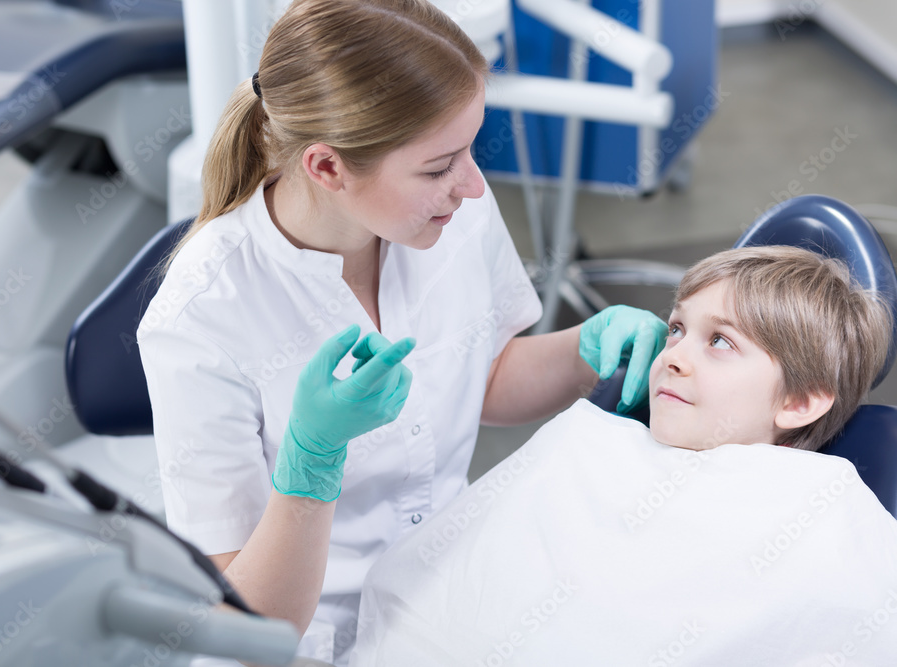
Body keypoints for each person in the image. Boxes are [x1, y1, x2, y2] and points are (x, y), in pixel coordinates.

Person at [136, 0, 666, 663]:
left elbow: (486, 378)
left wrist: (586, 350)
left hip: (453, 594)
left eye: (469, 149)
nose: (471, 186)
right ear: (327, 168)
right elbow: (246, 619)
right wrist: (311, 461)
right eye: (439, 165)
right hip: (314, 641)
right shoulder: (202, 314)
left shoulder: (451, 217)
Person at [349, 245, 897, 665]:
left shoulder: (823, 513)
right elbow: (447, 595)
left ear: (801, 401)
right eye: (678, 328)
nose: (674, 355)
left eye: (721, 342)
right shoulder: (591, 443)